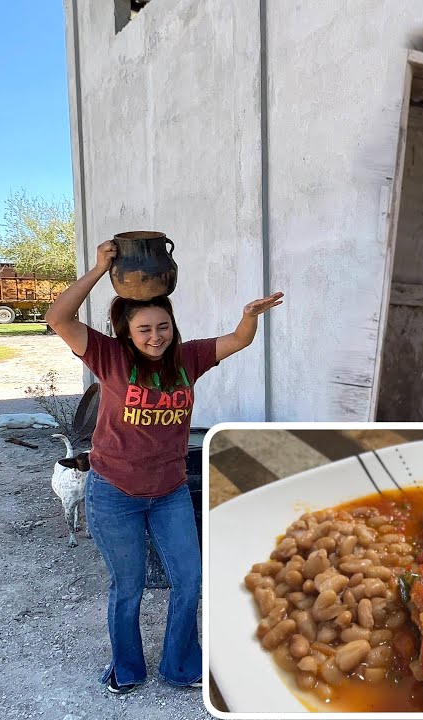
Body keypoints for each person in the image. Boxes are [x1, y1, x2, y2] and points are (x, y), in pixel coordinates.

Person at [44, 239, 283, 694]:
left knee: (189, 579)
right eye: (144, 330)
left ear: (173, 326)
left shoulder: (188, 359)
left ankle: (179, 665)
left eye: (163, 326)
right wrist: (99, 268)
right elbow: (58, 318)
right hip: (114, 493)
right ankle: (126, 668)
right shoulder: (109, 357)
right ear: (128, 334)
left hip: (169, 492)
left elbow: (237, 340)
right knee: (128, 586)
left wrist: (249, 316)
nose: (155, 336)